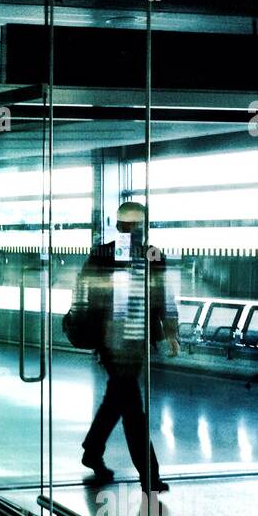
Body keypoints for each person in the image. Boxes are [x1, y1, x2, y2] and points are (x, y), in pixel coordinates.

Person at [71, 200, 179, 493]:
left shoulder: (151, 255)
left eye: (138, 223)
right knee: (132, 408)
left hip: (135, 342)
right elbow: (85, 294)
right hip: (111, 342)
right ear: (119, 225)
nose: (133, 229)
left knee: (116, 399)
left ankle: (92, 450)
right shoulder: (104, 254)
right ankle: (149, 476)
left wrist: (170, 331)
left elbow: (162, 297)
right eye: (128, 223)